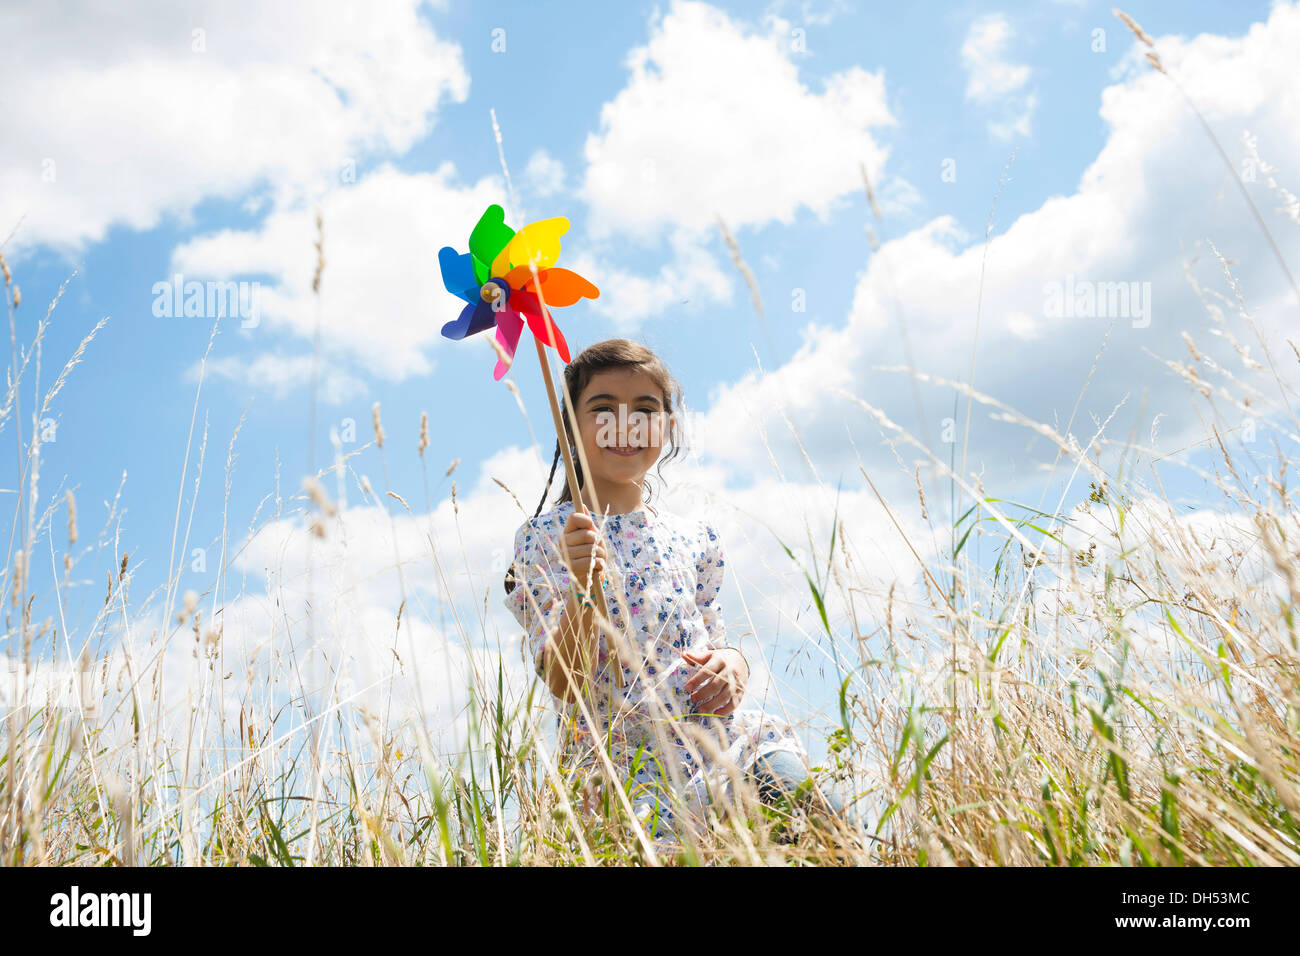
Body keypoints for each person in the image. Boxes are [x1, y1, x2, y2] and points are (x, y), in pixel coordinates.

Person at [502, 337, 856, 848]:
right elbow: (565, 682)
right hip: (625, 776)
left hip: (723, 745)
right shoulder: (545, 539)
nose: (624, 426)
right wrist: (584, 588)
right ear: (570, 427)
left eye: (645, 410)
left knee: (825, 824)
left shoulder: (696, 538)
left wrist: (734, 663)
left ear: (667, 428)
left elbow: (711, 635)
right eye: (603, 409)